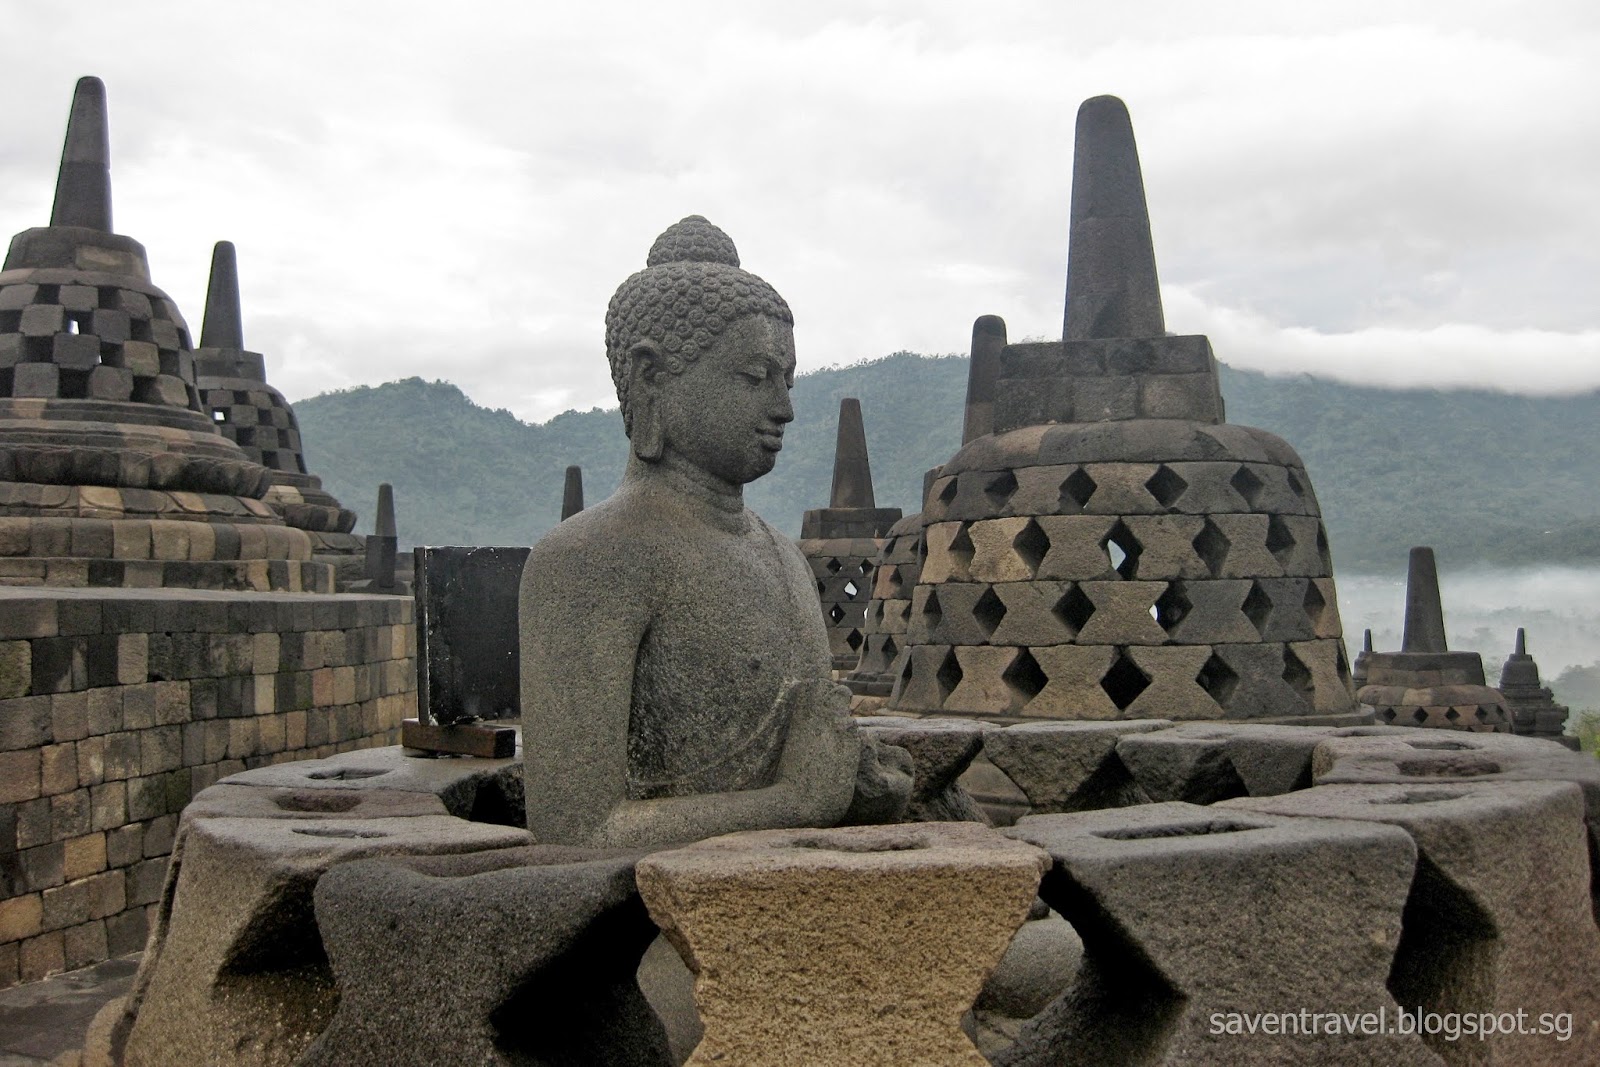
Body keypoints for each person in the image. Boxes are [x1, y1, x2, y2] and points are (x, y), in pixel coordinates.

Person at [520, 216, 863, 847]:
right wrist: (797, 802)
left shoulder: (783, 558)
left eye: (787, 379)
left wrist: (857, 782)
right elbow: (573, 832)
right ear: (651, 376)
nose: (783, 406)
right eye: (756, 378)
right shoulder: (588, 562)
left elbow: (813, 762)